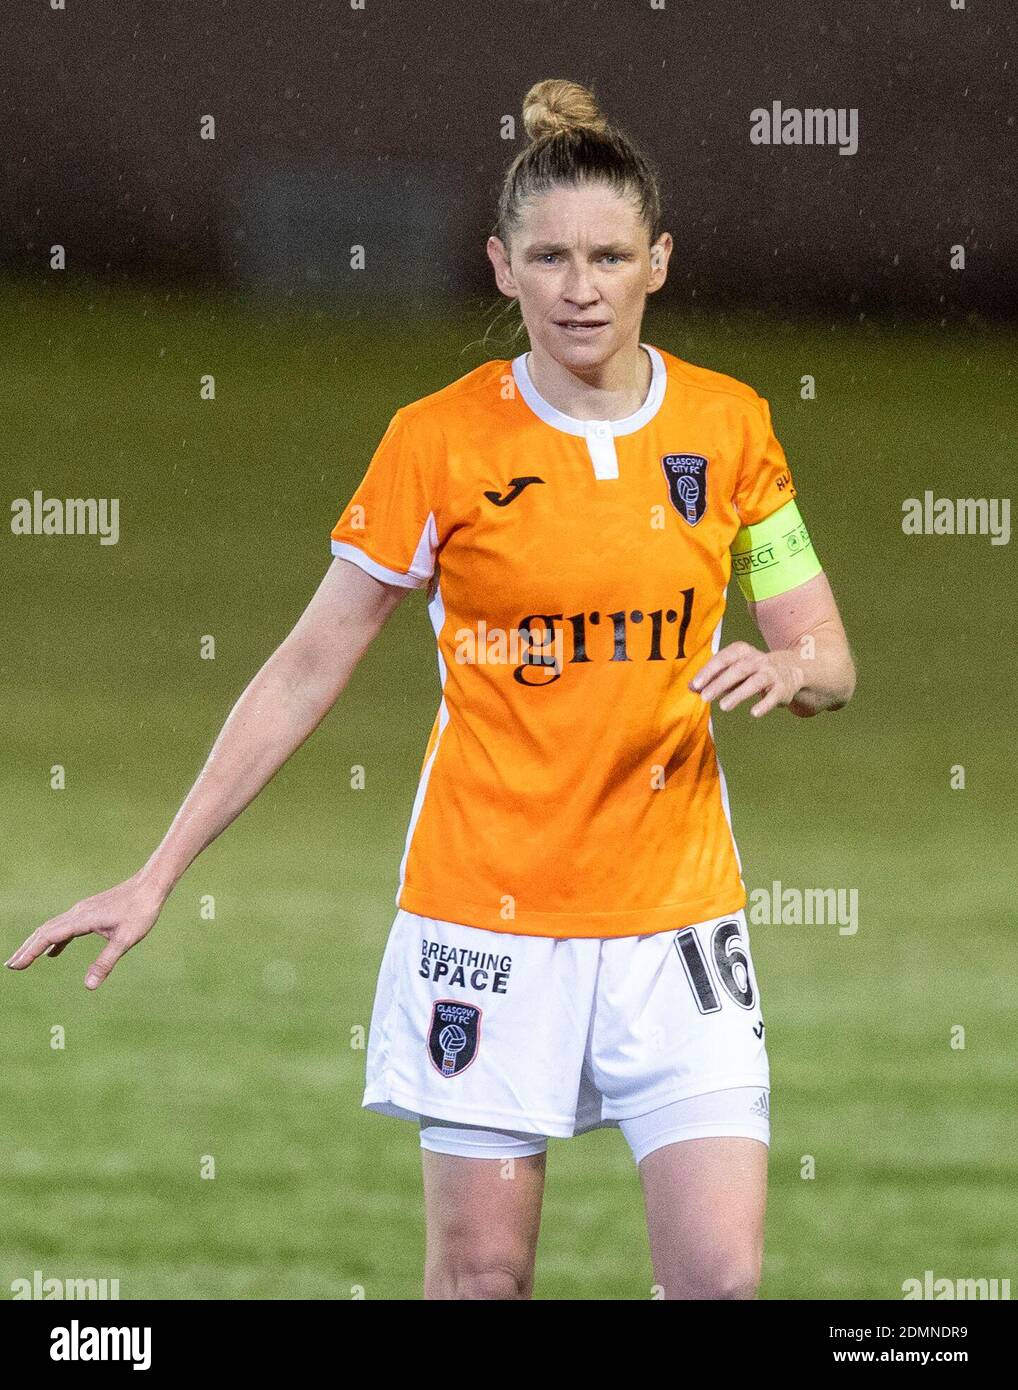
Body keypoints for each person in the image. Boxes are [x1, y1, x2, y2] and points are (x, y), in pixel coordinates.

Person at [5, 78, 856, 1301]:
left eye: (609, 255)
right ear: (500, 266)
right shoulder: (439, 441)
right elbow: (307, 664)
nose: (580, 285)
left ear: (657, 262)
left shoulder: (729, 429)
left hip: (680, 924)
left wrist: (791, 669)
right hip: (484, 924)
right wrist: (158, 868)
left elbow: (826, 652)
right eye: (549, 256)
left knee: (720, 1282)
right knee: (479, 1279)